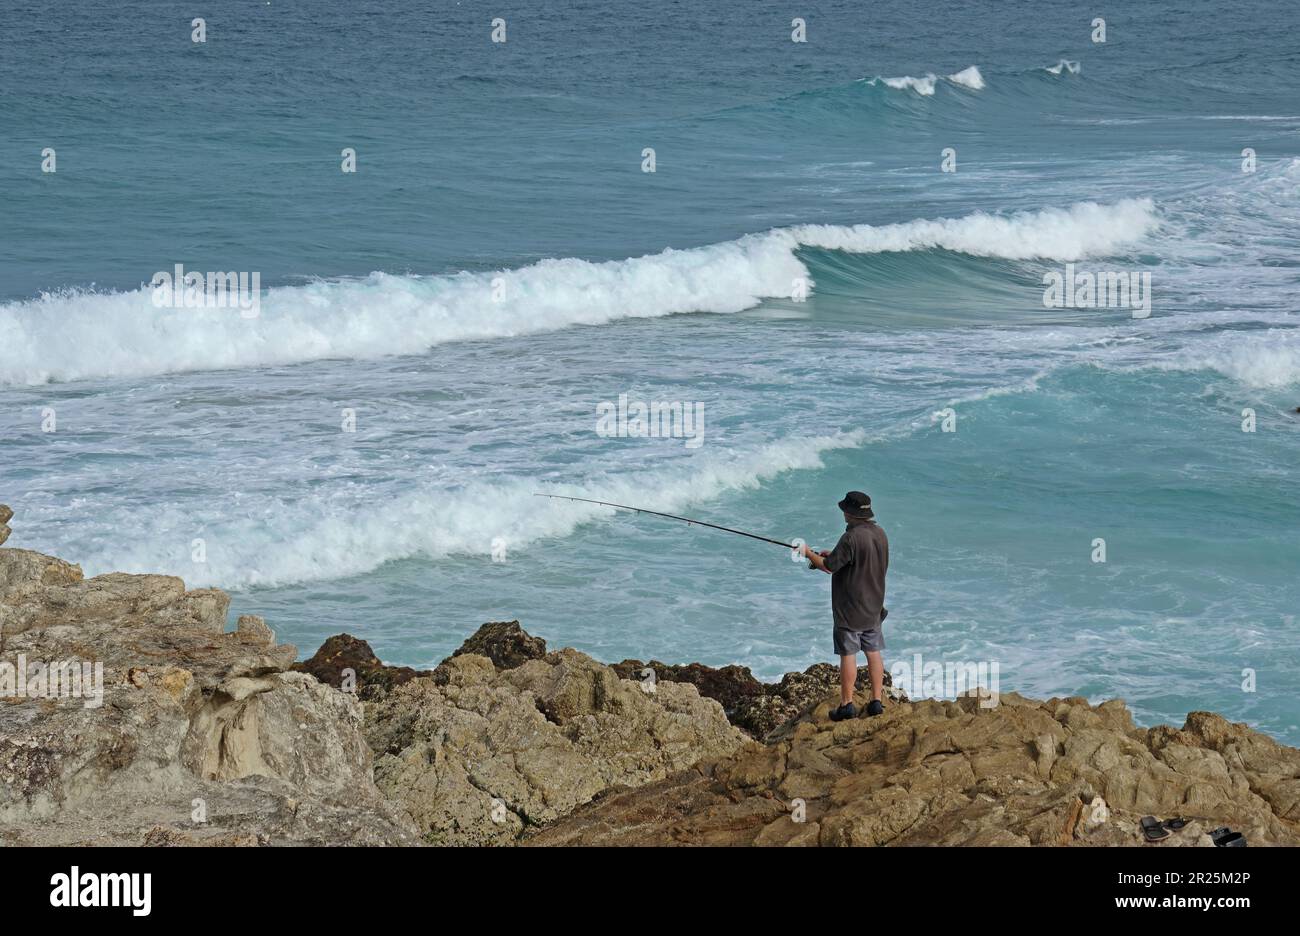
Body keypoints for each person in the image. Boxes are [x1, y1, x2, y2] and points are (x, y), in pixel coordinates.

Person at [800, 491, 889, 721]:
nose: (843, 514)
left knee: (848, 653)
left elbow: (828, 566)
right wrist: (835, 556)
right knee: (873, 652)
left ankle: (846, 704)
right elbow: (864, 562)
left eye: (845, 510)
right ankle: (876, 702)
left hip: (850, 608)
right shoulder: (880, 534)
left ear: (850, 513)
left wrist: (807, 553)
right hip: (874, 604)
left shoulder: (850, 538)